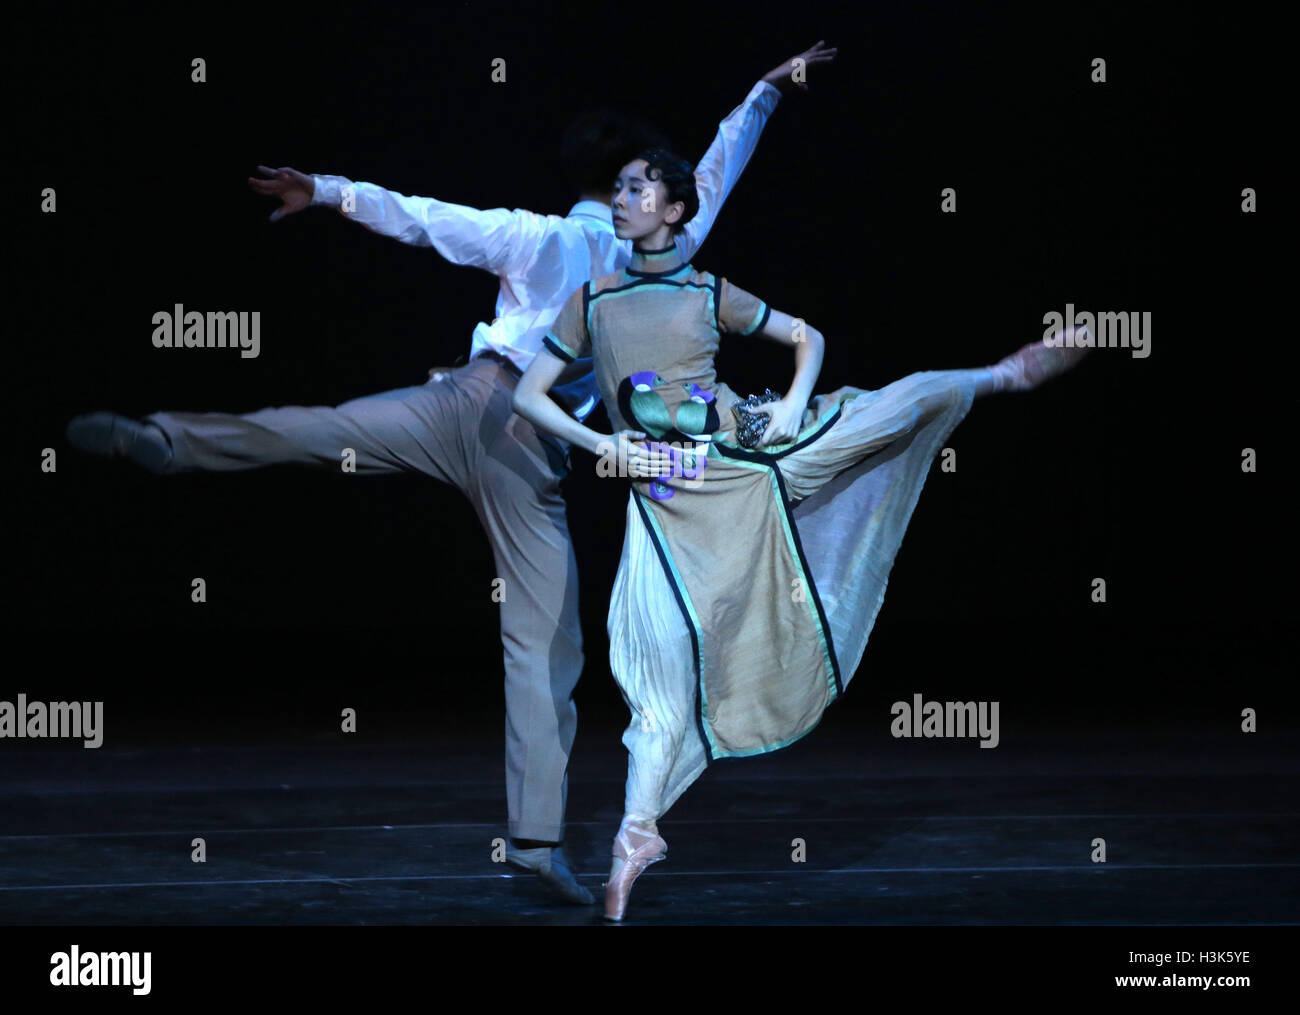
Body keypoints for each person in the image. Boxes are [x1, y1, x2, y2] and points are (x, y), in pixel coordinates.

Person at [64, 43, 838, 906]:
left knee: (324, 430)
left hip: (460, 403)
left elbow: (427, 217)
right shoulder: (664, 239)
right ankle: (537, 839)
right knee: (544, 643)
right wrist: (766, 90)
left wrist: (324, 189)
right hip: (525, 448)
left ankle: (173, 440)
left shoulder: (537, 235)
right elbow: (716, 167)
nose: (636, 197)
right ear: (632, 194)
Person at [510, 147, 1092, 920]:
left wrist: (791, 404)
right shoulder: (592, 300)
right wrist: (603, 446)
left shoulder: (710, 291)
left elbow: (805, 338)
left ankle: (1001, 376)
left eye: (636, 187)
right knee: (655, 689)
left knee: (876, 409)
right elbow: (529, 393)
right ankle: (636, 835)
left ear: (673, 210)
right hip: (665, 502)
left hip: (751, 464)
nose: (620, 198)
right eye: (617, 186)